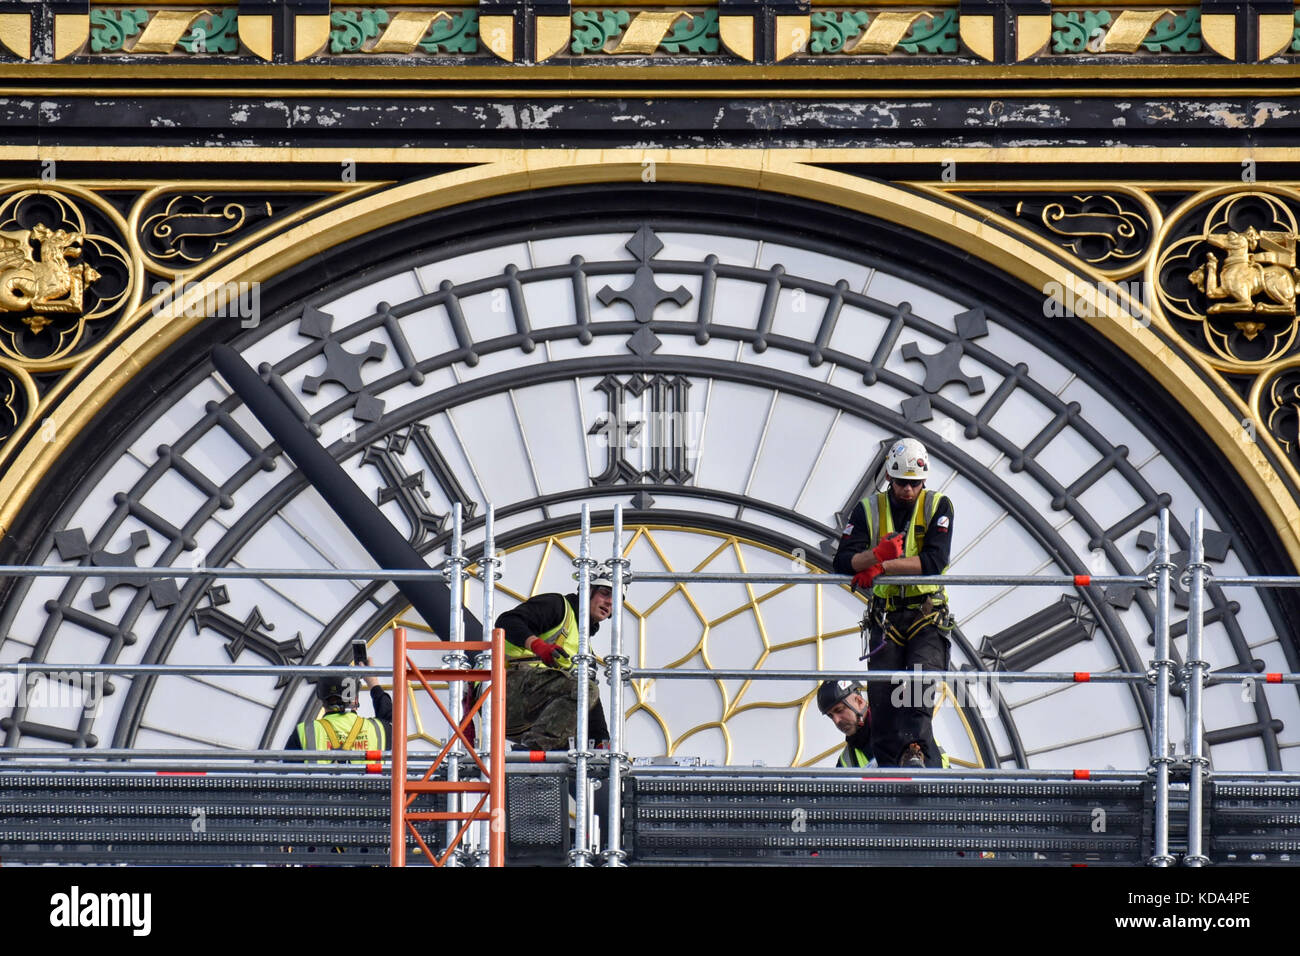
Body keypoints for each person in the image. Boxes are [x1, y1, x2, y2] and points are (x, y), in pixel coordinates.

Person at [833, 437, 954, 769]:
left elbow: (934, 561)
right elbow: (842, 561)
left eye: (915, 484)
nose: (909, 491)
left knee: (918, 690)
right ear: (889, 477)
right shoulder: (869, 509)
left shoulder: (938, 506)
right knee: (884, 705)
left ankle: (917, 760)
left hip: (926, 615)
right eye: (902, 483)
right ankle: (890, 772)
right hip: (886, 619)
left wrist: (881, 566)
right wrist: (875, 554)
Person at [496, 571, 615, 752]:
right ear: (587, 590)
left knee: (575, 745)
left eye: (616, 601)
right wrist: (537, 645)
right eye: (605, 593)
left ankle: (541, 765)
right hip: (504, 689)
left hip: (530, 715)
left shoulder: (585, 653)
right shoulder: (559, 607)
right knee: (584, 688)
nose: (609, 602)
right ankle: (535, 749)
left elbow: (591, 703)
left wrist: (602, 744)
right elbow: (506, 622)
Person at [817, 678, 950, 769]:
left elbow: (939, 768)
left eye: (839, 710)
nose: (836, 720)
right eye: (831, 716)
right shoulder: (846, 761)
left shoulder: (904, 726)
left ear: (859, 701)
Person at [286, 657, 392, 761]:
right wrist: (373, 683)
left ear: (321, 697)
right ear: (355, 698)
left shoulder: (304, 732)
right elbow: (393, 721)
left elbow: (285, 774)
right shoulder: (379, 729)